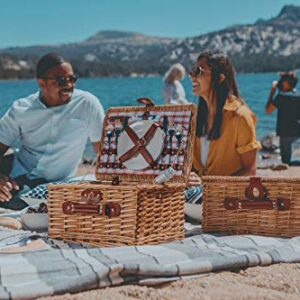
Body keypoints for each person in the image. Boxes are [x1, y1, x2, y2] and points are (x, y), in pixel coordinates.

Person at [0, 53, 105, 209]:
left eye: (72, 78)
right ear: (42, 84)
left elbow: (103, 154)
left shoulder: (88, 104)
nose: (69, 85)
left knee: (23, 203)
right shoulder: (21, 109)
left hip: (57, 182)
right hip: (16, 174)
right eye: (61, 80)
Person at [189, 51, 261, 176]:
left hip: (227, 195)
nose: (191, 76)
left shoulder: (240, 116)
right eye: (193, 70)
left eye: (199, 71)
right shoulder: (195, 116)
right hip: (197, 193)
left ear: (219, 78)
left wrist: (209, 185)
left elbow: (250, 170)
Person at [265, 72, 300, 165]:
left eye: (282, 81)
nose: (280, 82)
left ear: (286, 83)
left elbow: (268, 110)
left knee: (285, 162)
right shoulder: (298, 96)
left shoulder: (280, 98)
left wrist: (272, 91)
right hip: (297, 131)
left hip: (285, 133)